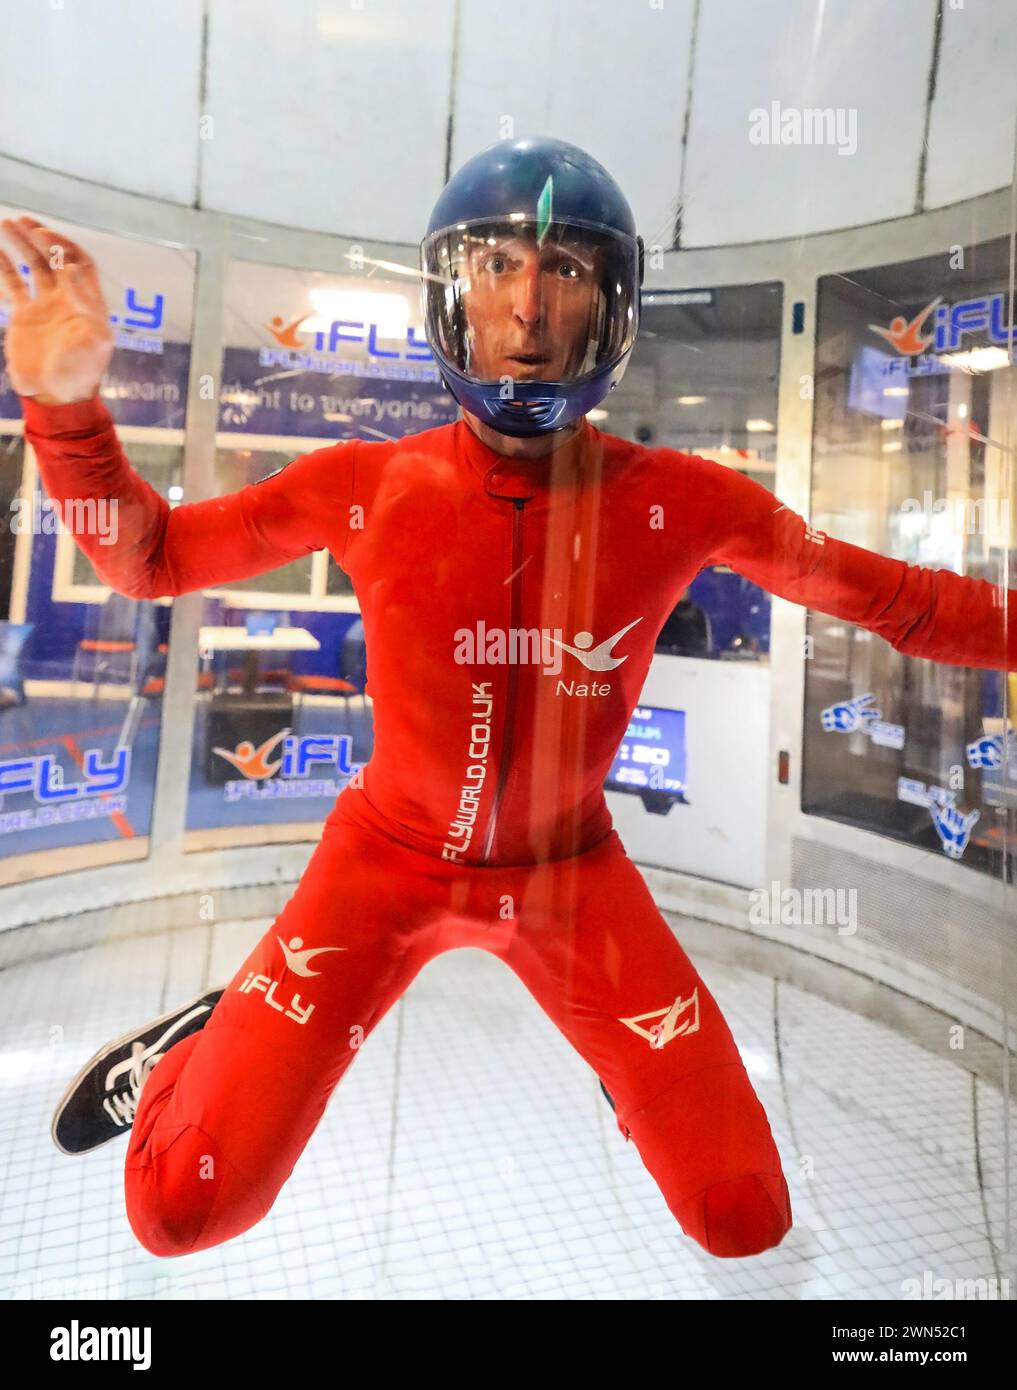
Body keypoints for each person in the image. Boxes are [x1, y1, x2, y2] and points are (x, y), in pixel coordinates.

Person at [1, 136, 1013, 1265]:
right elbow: (151, 561)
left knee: (744, 1216)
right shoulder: (370, 485)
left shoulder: (680, 501)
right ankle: (192, 1049)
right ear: (454, 293)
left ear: (609, 303)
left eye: (566, 270)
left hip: (568, 873)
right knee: (177, 1208)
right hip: (381, 861)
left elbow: (905, 605)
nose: (528, 309)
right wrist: (67, 407)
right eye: (496, 267)